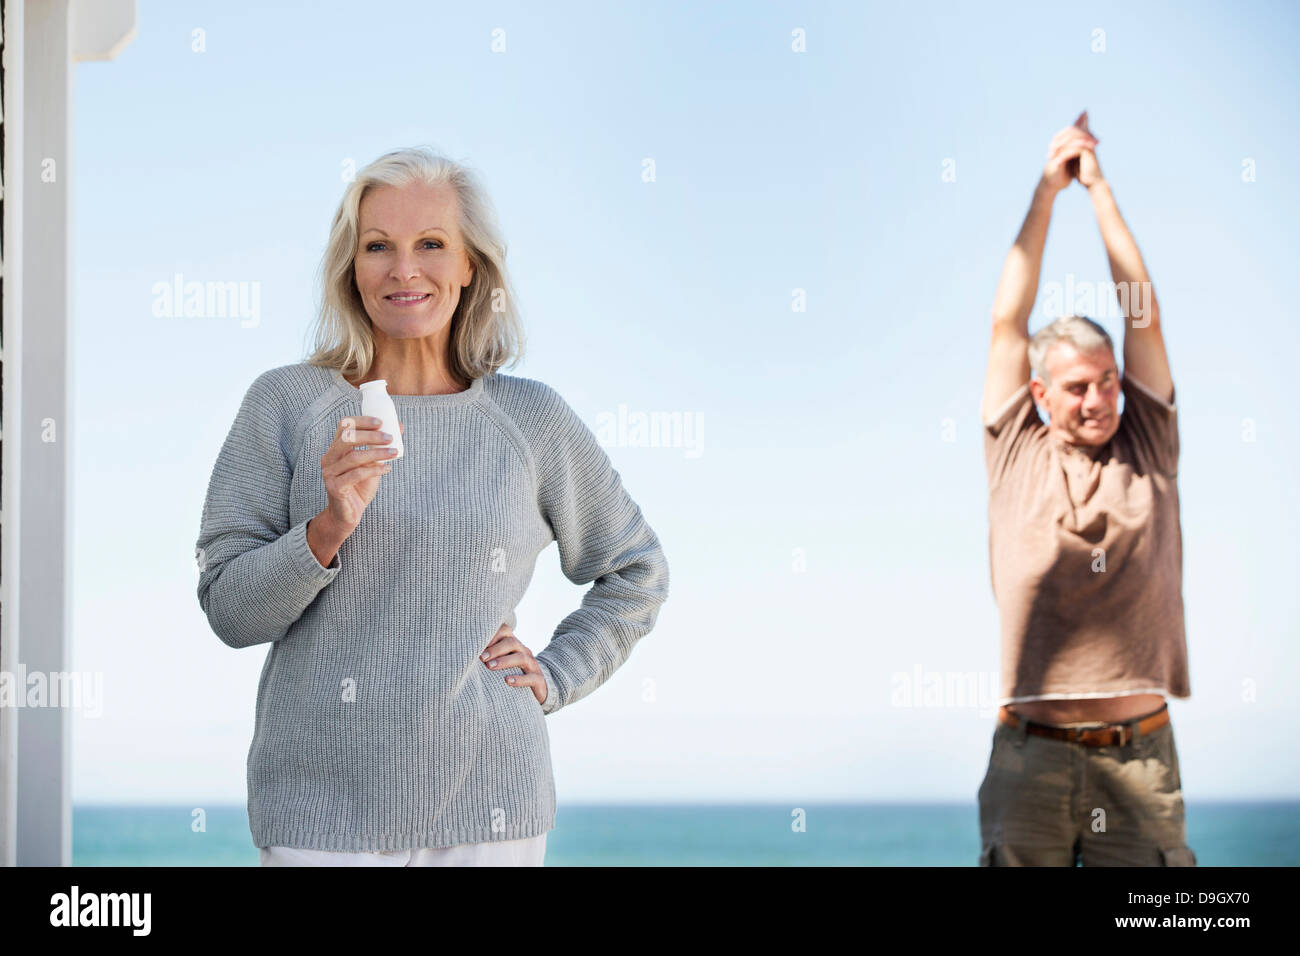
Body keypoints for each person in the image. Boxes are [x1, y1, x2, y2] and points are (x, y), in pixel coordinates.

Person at [195, 146, 670, 866]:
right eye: (378, 246)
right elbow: (230, 612)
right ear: (351, 269)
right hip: (319, 811)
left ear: (470, 265)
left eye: (431, 245)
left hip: (492, 806)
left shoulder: (529, 421)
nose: (403, 269)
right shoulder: (287, 403)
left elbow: (636, 569)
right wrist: (327, 528)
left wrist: (555, 672)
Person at [976, 114, 1194, 866]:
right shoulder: (1015, 453)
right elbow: (1008, 320)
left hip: (1139, 760)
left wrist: (1098, 191)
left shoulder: (1149, 446)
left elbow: (1145, 312)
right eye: (1079, 386)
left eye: (1109, 380)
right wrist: (1047, 192)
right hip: (1028, 760)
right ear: (1039, 393)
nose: (1101, 397)